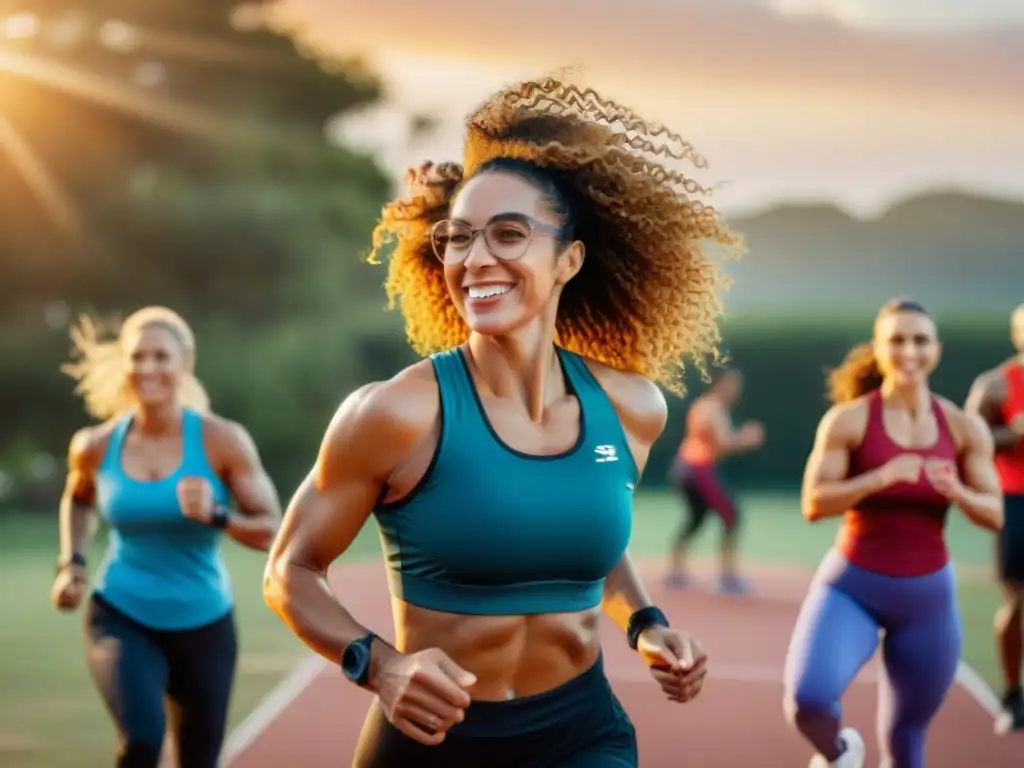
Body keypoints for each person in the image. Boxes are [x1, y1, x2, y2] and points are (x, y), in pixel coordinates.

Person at [264, 75, 740, 767]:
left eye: (509, 234)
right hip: (432, 746)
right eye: (458, 239)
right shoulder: (395, 414)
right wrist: (382, 667)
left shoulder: (632, 409)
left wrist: (645, 624)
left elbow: (583, 534)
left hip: (582, 737)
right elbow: (290, 570)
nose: (476, 259)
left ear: (569, 259)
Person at [50, 306, 282, 768]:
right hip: (121, 613)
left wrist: (218, 516)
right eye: (137, 357)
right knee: (141, 740)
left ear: (185, 364)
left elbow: (272, 530)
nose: (148, 368)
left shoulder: (221, 440)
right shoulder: (95, 444)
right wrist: (71, 562)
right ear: (124, 364)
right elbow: (77, 499)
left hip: (205, 622)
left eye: (161, 356)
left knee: (199, 759)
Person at [782, 298, 1003, 768]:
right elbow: (814, 503)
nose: (909, 351)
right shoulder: (849, 420)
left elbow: (994, 515)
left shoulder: (963, 429)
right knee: (808, 701)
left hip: (927, 600)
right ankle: (840, 754)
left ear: (936, 349)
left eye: (920, 340)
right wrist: (879, 478)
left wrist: (958, 491)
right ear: (879, 349)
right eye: (897, 340)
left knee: (906, 741)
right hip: (852, 589)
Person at [964, 302, 1024, 734]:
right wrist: (1014, 433)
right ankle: (1012, 694)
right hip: (1016, 500)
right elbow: (970, 437)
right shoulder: (997, 385)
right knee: (1017, 599)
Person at [665, 368, 764, 593]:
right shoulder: (711, 407)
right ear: (718, 383)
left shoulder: (711, 407)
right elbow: (722, 444)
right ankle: (727, 576)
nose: (736, 389)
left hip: (691, 468)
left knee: (697, 519)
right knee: (731, 514)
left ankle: (676, 569)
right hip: (695, 468)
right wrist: (747, 438)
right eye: (732, 383)